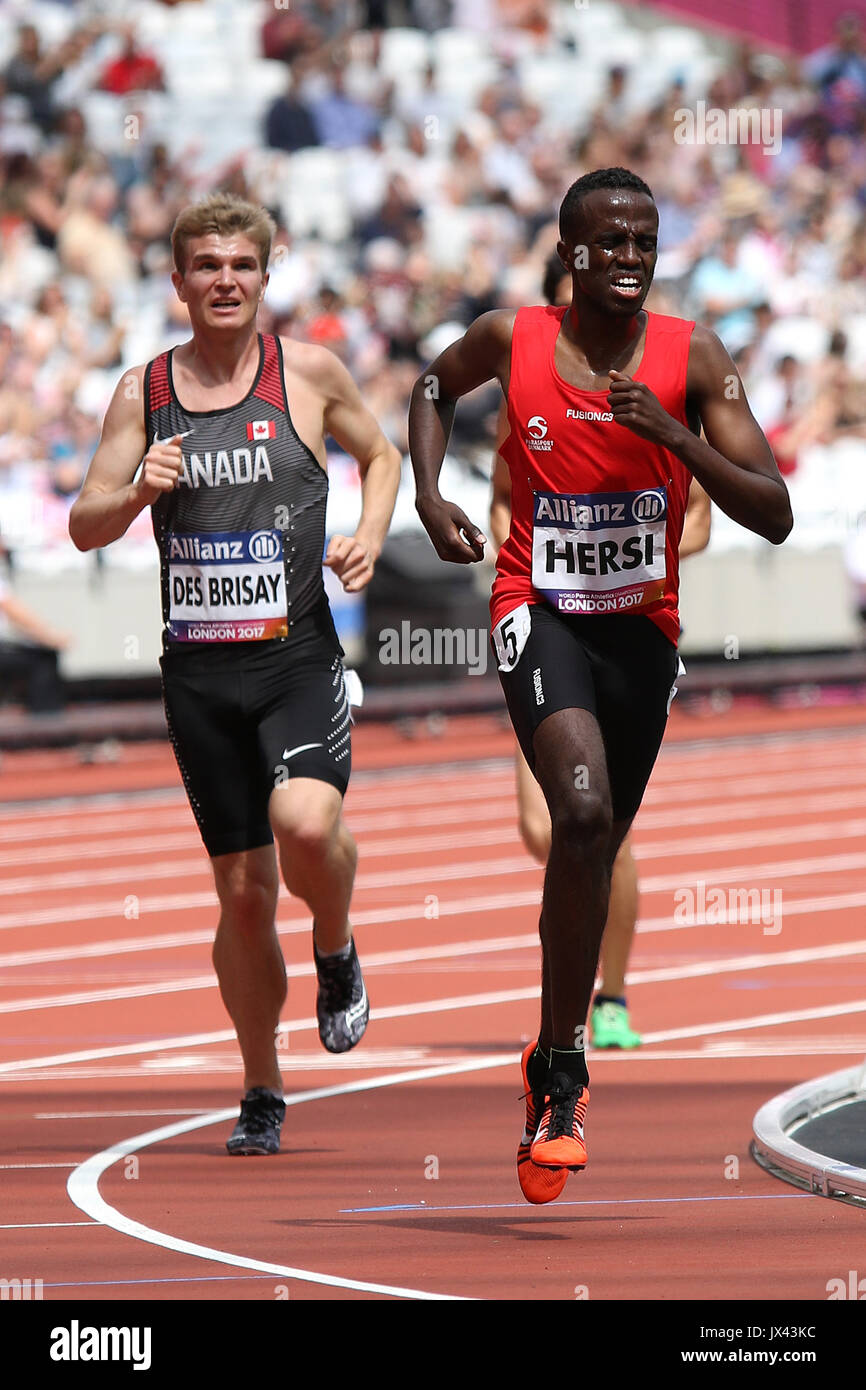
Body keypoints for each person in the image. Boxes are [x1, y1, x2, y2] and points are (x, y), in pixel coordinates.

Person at [409, 166, 792, 1204]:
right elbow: (432, 387)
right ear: (570, 251)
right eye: (609, 242)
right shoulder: (512, 337)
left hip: (642, 633)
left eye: (643, 241)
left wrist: (673, 436)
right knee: (575, 811)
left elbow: (772, 512)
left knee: (597, 834)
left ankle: (546, 1045)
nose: (629, 258)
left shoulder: (691, 356)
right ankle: (566, 1072)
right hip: (534, 605)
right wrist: (429, 492)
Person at [70, 193, 401, 1156]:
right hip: (199, 675)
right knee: (245, 894)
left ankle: (335, 944)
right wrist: (137, 490)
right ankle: (263, 1086)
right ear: (178, 283)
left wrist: (369, 537)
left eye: (241, 266)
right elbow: (85, 521)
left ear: (266, 276)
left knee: (305, 823)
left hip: (295, 657)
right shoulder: (146, 393)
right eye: (205, 266)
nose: (224, 281)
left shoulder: (309, 375)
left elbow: (379, 456)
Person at [489, 259, 711, 1050]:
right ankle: (567, 1004)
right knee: (550, 822)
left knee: (600, 829)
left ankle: (606, 998)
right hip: (547, 622)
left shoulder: (665, 384)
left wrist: (619, 549)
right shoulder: (525, 383)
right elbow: (504, 503)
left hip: (633, 628)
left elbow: (699, 522)